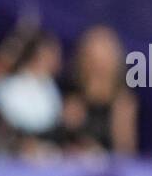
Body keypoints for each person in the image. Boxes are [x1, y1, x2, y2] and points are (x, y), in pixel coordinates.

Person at [59, 25, 138, 154]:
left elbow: (126, 153)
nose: (98, 67)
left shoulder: (122, 103)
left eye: (103, 62)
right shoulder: (69, 95)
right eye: (93, 60)